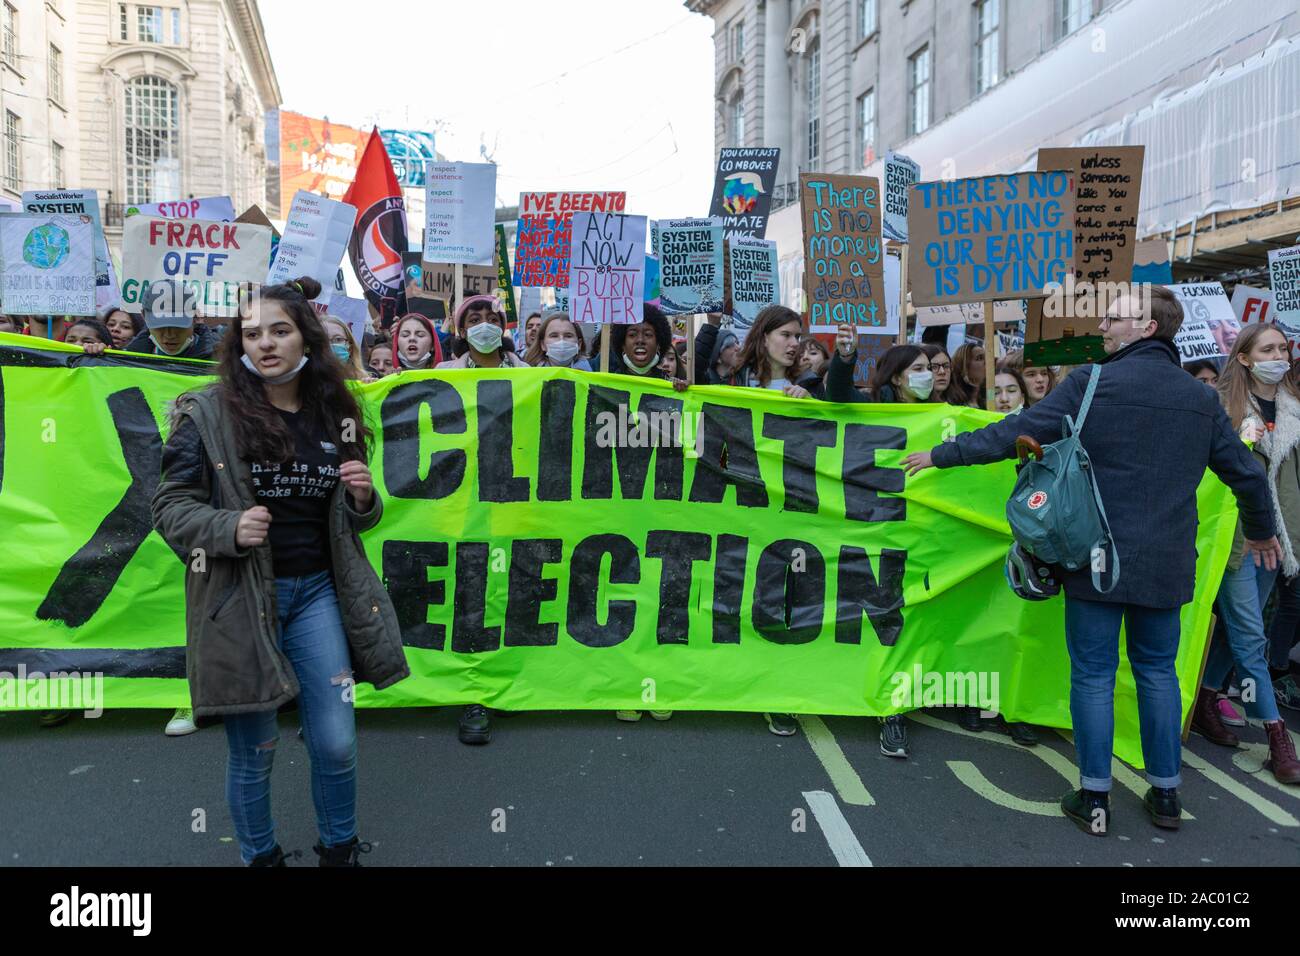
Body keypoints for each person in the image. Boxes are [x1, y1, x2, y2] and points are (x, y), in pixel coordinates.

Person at [903, 286, 1280, 834]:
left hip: (1095, 559)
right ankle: (1167, 795)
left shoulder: (1090, 384)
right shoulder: (1201, 399)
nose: (1101, 325)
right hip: (1166, 564)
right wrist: (1265, 531)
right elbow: (1246, 475)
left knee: (1094, 675)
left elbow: (1014, 433)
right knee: (1157, 673)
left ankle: (1095, 799)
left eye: (1113, 318)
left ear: (1147, 328)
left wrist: (941, 454)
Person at [151, 276, 409, 866]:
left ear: (307, 340)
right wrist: (227, 528)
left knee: (337, 742)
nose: (265, 343)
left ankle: (339, 852)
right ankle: (261, 858)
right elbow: (168, 506)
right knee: (256, 748)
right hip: (240, 597)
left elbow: (353, 518)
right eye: (251, 334)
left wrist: (364, 501)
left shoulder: (336, 413)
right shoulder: (207, 412)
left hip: (319, 594)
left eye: (280, 330)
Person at [1187, 323, 1300, 783]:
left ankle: (1207, 695)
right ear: (1246, 358)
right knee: (1252, 634)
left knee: (1239, 631)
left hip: (1279, 539)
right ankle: (1278, 737)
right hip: (1234, 537)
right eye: (1268, 348)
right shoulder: (1221, 404)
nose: (1280, 355)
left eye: (1284, 348)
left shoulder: (1295, 409)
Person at [729, 305, 821, 398]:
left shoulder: (810, 383)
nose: (795, 343)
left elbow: (824, 411)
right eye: (786, 335)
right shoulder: (736, 378)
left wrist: (811, 401)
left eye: (797, 337)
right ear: (764, 338)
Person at [112, 281, 219, 359]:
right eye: (160, 326)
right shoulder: (128, 359)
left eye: (178, 326)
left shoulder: (222, 361)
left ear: (195, 317)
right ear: (144, 316)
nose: (169, 335)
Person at [608, 305, 688, 390]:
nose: (640, 340)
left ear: (658, 345)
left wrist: (685, 393)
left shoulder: (671, 386)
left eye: (648, 335)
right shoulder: (608, 387)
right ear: (622, 345)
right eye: (632, 335)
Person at [437, 295, 527, 370]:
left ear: (501, 329)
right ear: (463, 332)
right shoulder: (443, 372)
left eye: (493, 319)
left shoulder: (527, 371)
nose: (485, 325)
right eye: (475, 320)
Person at [522, 312, 593, 370]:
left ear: (579, 344)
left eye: (568, 336)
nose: (561, 341)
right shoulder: (529, 374)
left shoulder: (594, 374)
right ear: (543, 345)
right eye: (554, 336)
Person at [322, 317, 373, 382]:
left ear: (350, 348)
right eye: (323, 340)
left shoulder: (364, 381)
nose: (330, 345)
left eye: (338, 339)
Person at [693, 320, 742, 385]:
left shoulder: (743, 379)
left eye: (737, 343)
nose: (738, 348)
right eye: (730, 345)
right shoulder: (704, 382)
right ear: (717, 357)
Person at [947, 343, 986, 408]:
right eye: (979, 358)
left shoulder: (990, 397)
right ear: (964, 366)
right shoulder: (951, 402)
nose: (986, 362)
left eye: (987, 358)